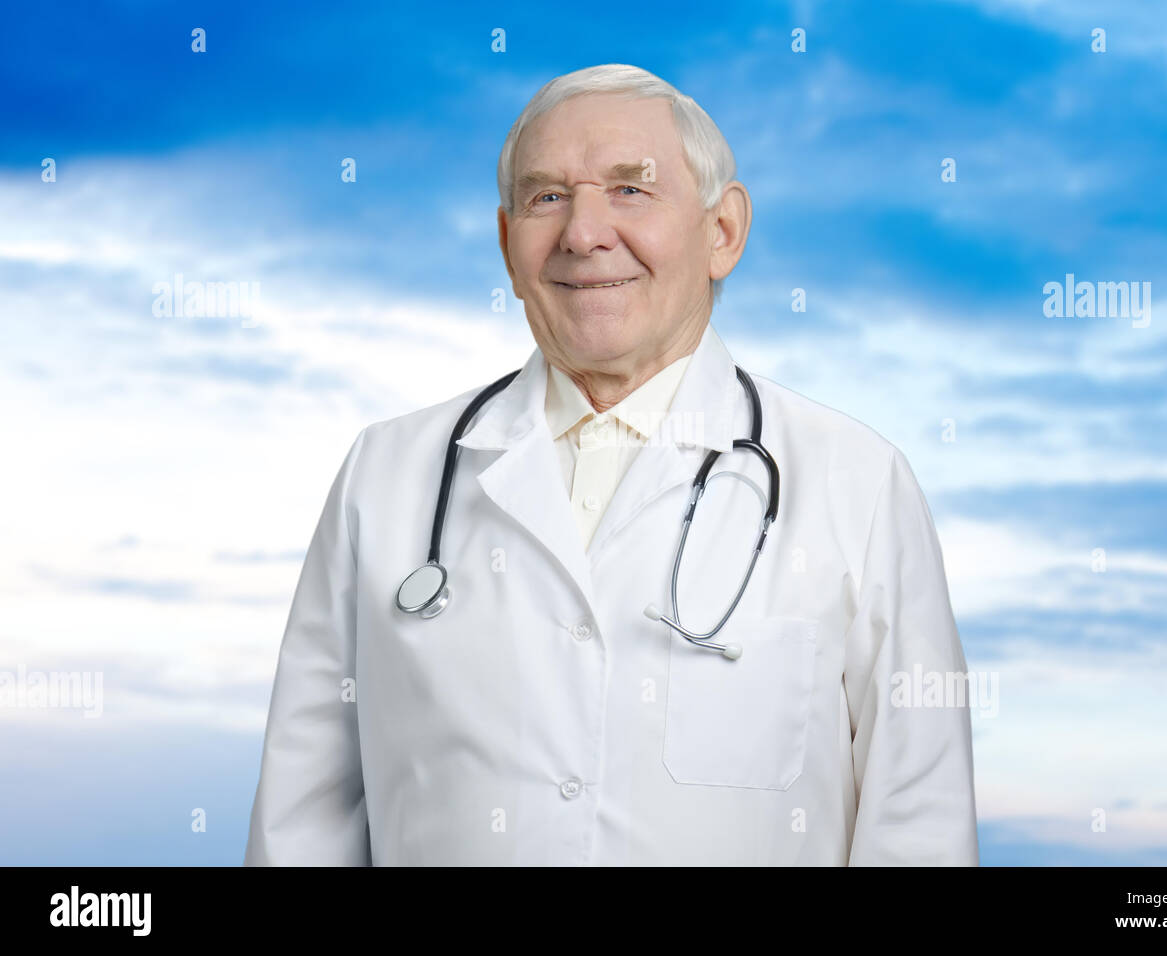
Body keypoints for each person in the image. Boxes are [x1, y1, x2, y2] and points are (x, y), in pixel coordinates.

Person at [244, 63, 978, 866]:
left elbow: (919, 831)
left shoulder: (857, 484)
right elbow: (301, 829)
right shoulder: (386, 476)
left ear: (722, 233)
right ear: (505, 241)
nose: (583, 233)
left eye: (631, 190)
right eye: (546, 196)